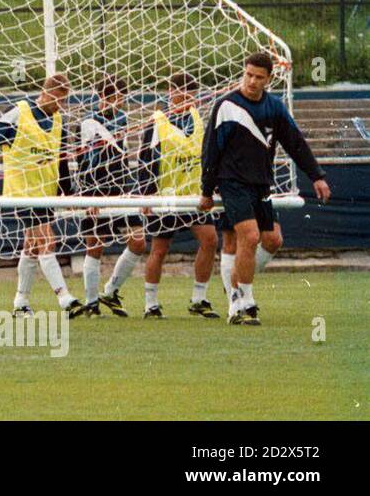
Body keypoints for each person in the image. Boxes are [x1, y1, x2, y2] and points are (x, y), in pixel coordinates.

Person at [200, 52, 330, 325]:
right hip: (231, 181)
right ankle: (244, 302)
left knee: (272, 240)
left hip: (260, 182)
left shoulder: (274, 108)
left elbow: (295, 143)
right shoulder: (226, 105)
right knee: (247, 237)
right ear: (243, 73)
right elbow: (210, 149)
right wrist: (207, 190)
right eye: (248, 74)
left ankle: (236, 287)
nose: (251, 81)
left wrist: (316, 175)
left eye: (259, 77)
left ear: (269, 79)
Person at [0, 73, 82, 318]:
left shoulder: (57, 121)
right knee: (47, 240)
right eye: (59, 99)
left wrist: (66, 191)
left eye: (65, 101)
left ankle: (21, 302)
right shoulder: (20, 112)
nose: (61, 105)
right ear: (46, 93)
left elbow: (61, 158)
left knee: (32, 247)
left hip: (45, 193)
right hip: (22, 192)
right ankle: (65, 298)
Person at [134, 73, 219, 319]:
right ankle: (151, 303)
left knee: (210, 240)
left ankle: (199, 298)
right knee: (160, 249)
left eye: (190, 94)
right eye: (180, 93)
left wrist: (209, 186)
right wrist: (147, 194)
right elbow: (144, 159)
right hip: (166, 197)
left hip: (193, 196)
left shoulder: (197, 118)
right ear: (171, 93)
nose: (185, 98)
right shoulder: (158, 121)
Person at [74, 75, 146, 317]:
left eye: (121, 98)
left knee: (138, 241)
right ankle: (91, 303)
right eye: (114, 97)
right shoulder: (88, 123)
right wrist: (89, 196)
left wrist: (131, 188)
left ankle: (111, 290)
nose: (118, 103)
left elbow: (123, 158)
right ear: (103, 98)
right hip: (96, 192)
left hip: (121, 191)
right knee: (95, 246)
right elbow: (83, 161)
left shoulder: (123, 120)